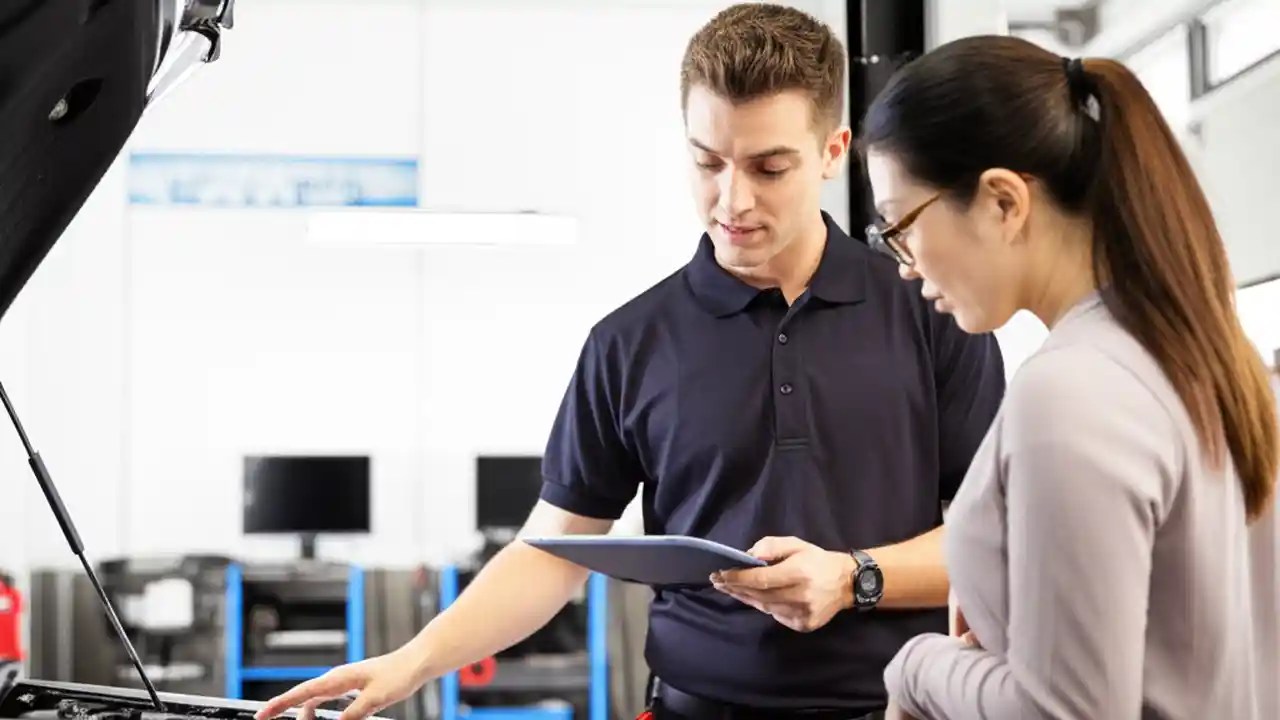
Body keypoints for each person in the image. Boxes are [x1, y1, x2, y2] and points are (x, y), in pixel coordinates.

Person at [254, 6, 1005, 720]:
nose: (732, 200)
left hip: (891, 707)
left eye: (769, 167)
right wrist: (409, 663)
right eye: (707, 161)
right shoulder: (629, 342)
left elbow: (1000, 545)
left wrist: (852, 579)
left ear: (833, 153)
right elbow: (552, 552)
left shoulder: (932, 309)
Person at [853, 35, 1280, 719]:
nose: (904, 264)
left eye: (900, 224)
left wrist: (919, 667)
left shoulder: (1070, 391)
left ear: (1002, 202)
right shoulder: (1216, 358)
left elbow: (1067, 711)